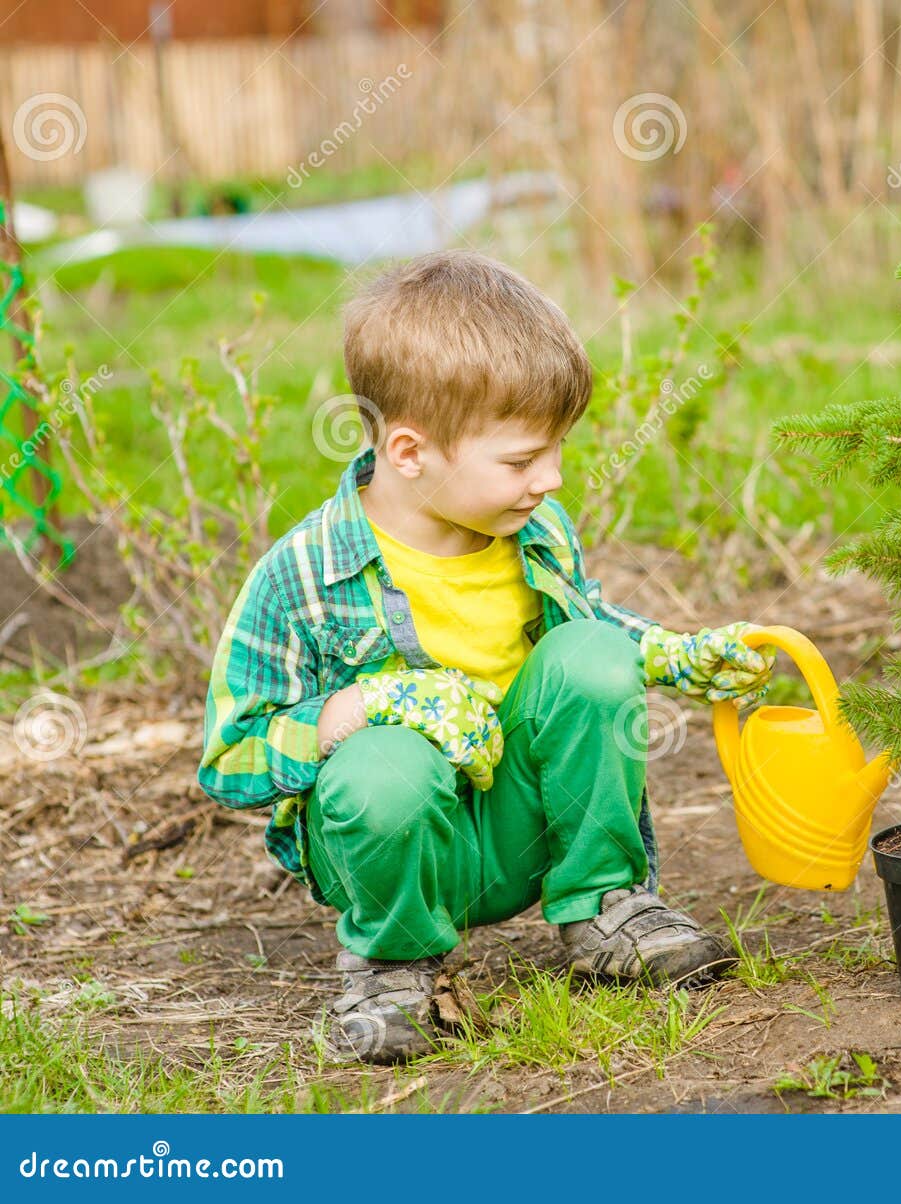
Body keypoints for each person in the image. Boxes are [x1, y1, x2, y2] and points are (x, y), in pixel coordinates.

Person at [197, 250, 775, 1064]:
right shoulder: (301, 575)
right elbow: (229, 758)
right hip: (396, 844)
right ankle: (393, 966)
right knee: (385, 764)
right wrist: (364, 707)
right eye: (521, 460)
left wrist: (673, 655)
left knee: (592, 654)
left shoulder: (533, 532)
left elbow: (589, 626)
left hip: (517, 830)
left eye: (558, 450)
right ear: (409, 452)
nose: (553, 478)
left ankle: (605, 905)